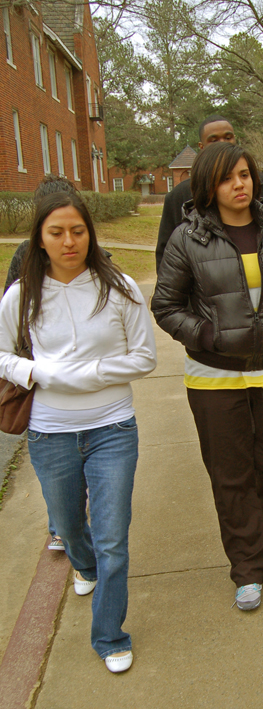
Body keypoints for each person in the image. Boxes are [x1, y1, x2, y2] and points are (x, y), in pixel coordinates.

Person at [152, 142, 263, 611]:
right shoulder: (186, 240)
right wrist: (205, 334)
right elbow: (165, 306)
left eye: (246, 174)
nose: (240, 184)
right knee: (231, 474)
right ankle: (248, 568)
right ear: (209, 185)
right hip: (214, 375)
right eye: (229, 178)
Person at [0, 191, 157, 673]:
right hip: (50, 434)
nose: (69, 241)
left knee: (113, 539)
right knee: (69, 528)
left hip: (112, 428)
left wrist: (81, 374)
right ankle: (83, 565)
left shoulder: (120, 288)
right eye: (56, 232)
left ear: (90, 233)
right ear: (40, 240)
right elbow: (3, 355)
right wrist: (37, 374)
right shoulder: (21, 294)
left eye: (78, 231)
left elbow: (145, 357)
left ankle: (110, 635)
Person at [2, 174, 113, 554]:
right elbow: (13, 308)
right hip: (43, 374)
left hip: (89, 383)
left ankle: (69, 528)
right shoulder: (25, 256)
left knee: (80, 460)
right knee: (57, 460)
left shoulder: (97, 260)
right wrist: (30, 366)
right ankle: (62, 525)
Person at [155, 115, 263, 272]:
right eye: (214, 140)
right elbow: (166, 259)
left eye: (228, 137)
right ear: (201, 146)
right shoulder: (179, 196)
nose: (223, 143)